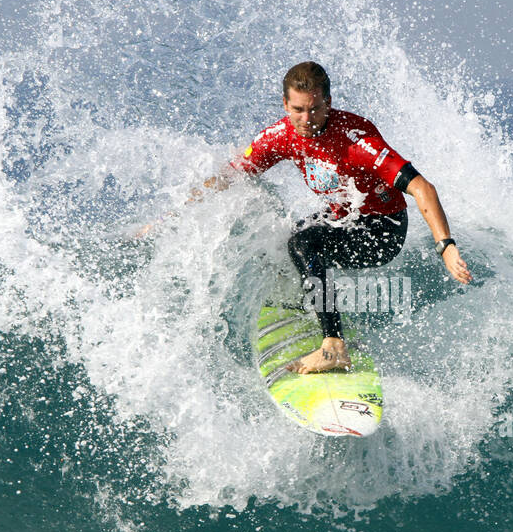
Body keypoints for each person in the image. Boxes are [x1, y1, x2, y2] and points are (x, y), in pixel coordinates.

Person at [191, 61, 471, 373]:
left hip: (383, 231)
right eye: (297, 109)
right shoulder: (282, 136)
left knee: (303, 243)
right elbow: (230, 175)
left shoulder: (356, 139)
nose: (306, 119)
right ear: (285, 104)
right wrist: (174, 216)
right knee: (291, 235)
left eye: (314, 109)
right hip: (345, 217)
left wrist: (445, 246)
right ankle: (315, 307)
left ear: (328, 103)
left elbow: (422, 187)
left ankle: (334, 347)